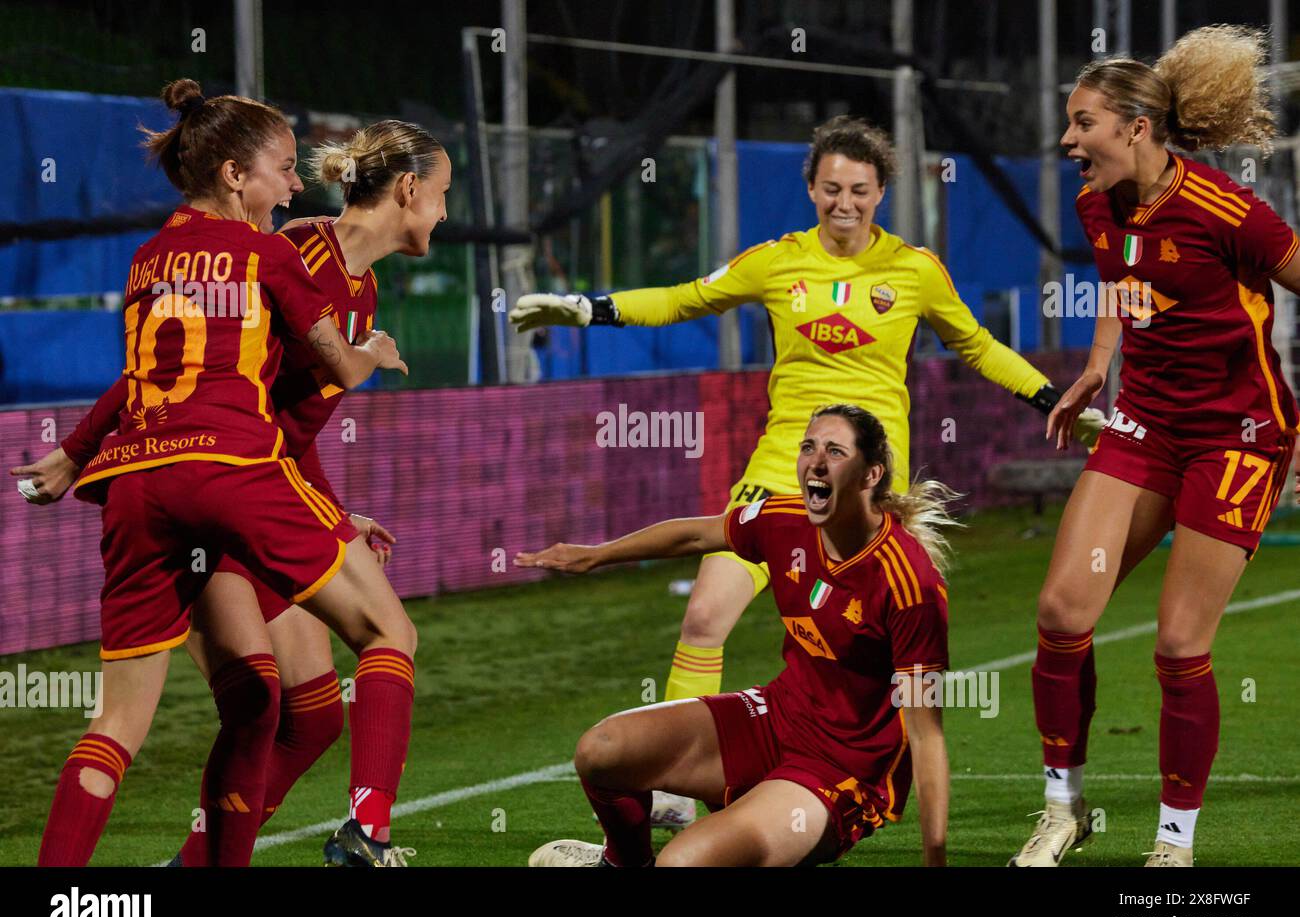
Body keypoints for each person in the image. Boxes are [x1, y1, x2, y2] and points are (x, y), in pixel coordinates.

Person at [509, 116, 1099, 827]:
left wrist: (1051, 396)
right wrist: (586, 308)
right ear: (810, 188)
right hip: (783, 469)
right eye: (829, 188)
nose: (843, 202)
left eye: (858, 189)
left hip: (868, 487)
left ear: (881, 191)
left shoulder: (914, 271)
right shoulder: (776, 260)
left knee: (860, 649)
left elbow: (975, 345)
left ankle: (854, 780)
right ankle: (670, 788)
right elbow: (684, 297)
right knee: (703, 614)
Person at [18, 118, 450, 867]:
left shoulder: (164, 259)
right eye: (443, 194)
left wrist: (76, 452)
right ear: (410, 189)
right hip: (233, 483)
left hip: (161, 483)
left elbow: (181, 372)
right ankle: (368, 833)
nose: (293, 186)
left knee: (278, 715)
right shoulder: (283, 251)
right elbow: (270, 380)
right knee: (377, 639)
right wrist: (368, 356)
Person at [1011, 25, 1299, 868]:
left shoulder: (1228, 210)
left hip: (1237, 438)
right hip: (1145, 424)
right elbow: (1119, 279)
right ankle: (1063, 808)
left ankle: (1174, 844)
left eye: (1082, 122)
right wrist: (1099, 363)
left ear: (1136, 127)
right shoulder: (1095, 202)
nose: (1068, 140)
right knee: (1063, 612)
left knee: (1180, 644)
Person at [516, 405, 953, 866]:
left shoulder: (909, 584)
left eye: (835, 451)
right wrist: (596, 555)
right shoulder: (786, 520)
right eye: (808, 447)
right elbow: (694, 537)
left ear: (871, 475)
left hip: (843, 771)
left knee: (683, 863)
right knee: (600, 752)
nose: (816, 462)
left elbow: (926, 736)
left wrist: (936, 858)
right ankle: (622, 863)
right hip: (776, 718)